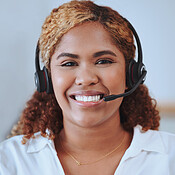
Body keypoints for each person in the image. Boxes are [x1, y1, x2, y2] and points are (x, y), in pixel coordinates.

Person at [0, 1, 175, 174]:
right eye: (68, 63)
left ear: (131, 74)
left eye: (103, 61)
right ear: (46, 78)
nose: (85, 79)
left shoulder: (169, 158)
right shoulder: (10, 161)